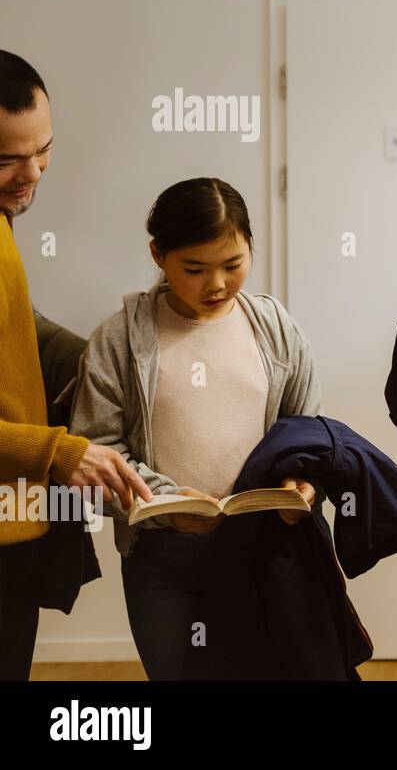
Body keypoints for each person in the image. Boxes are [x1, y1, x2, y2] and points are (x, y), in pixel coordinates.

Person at [68, 177, 322, 679]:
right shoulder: (118, 339)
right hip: (163, 559)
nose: (217, 285)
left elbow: (308, 431)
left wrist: (304, 484)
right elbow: (95, 452)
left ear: (251, 245)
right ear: (158, 255)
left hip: (262, 546)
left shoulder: (274, 326)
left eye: (233, 264)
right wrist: (167, 506)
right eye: (194, 268)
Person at [0, 50, 152, 681]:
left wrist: (110, 358)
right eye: (6, 158)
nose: (31, 173)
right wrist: (63, 454)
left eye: (44, 149)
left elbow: (18, 330)